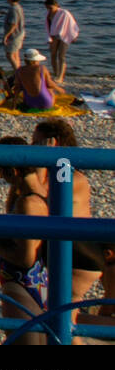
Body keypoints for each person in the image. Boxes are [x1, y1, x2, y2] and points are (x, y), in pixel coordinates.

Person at [0, 136, 48, 345]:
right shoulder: (35, 191)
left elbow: (26, 258)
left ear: (12, 171)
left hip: (21, 281)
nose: (0, 177)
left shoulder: (28, 204)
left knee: (24, 339)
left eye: (0, 172)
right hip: (33, 281)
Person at [32, 120, 105, 313]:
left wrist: (39, 164)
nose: (32, 148)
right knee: (62, 312)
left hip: (78, 252)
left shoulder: (69, 176)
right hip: (76, 248)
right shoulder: (65, 172)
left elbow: (39, 199)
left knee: (62, 313)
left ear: (52, 143)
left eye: (36, 144)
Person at [42, 0, 78, 84]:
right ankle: (56, 74)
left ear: (56, 6)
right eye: (47, 8)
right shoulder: (48, 14)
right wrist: (49, 37)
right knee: (53, 55)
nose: (49, 9)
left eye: (51, 8)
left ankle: (60, 77)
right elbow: (48, 25)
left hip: (64, 35)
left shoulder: (64, 13)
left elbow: (72, 24)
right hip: (53, 36)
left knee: (61, 56)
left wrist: (73, 36)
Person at [2, 0, 25, 70]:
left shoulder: (13, 9)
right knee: (15, 54)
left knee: (9, 55)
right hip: (19, 33)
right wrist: (6, 14)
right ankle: (18, 71)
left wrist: (6, 36)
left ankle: (17, 73)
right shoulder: (18, 7)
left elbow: (14, 24)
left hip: (15, 35)